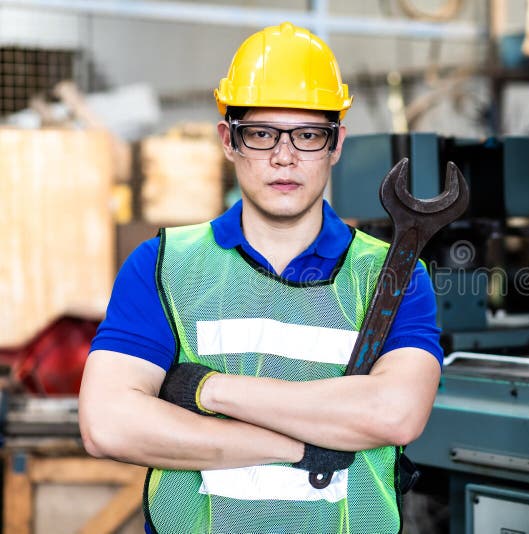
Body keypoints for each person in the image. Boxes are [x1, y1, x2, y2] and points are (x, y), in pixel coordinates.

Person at [78, 21, 443, 534]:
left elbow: (394, 415)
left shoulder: (394, 275)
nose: (284, 156)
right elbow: (108, 424)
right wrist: (296, 447)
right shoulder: (162, 265)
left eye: (309, 134)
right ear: (229, 140)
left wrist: (205, 390)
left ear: (337, 143)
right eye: (262, 133)